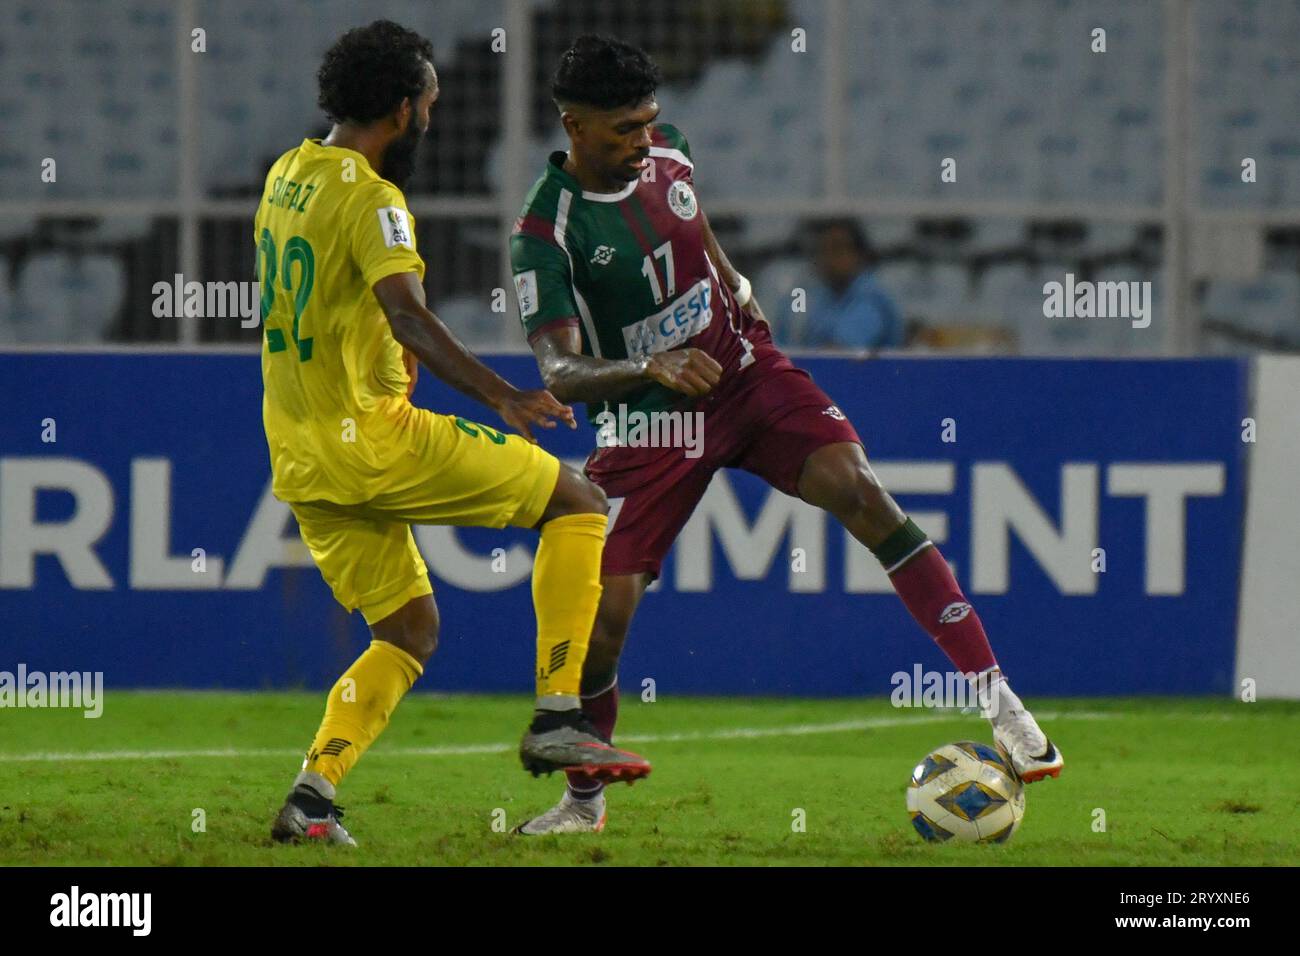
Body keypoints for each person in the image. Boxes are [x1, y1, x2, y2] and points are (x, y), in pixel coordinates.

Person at [508, 35, 1062, 835]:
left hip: (741, 370)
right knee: (608, 612)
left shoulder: (670, 154)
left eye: (648, 123)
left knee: (863, 493)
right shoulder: (543, 231)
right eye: (623, 129)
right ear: (574, 124)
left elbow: (697, 232)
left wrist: (734, 281)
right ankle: (582, 804)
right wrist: (649, 366)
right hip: (648, 417)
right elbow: (558, 370)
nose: (641, 141)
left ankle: (1000, 700)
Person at [257, 21, 649, 846]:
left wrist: (389, 354)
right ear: (402, 111)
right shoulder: (375, 200)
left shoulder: (287, 175)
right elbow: (410, 313)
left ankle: (312, 798)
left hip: (299, 455)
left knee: (407, 631)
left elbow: (345, 306)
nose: (430, 123)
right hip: (375, 439)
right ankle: (556, 713)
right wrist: (504, 394)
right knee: (578, 501)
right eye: (428, 108)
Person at [796, 219, 904, 349]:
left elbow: (837, 354)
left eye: (837, 249)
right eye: (823, 250)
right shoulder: (822, 295)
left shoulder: (872, 298)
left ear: (860, 255)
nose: (828, 258)